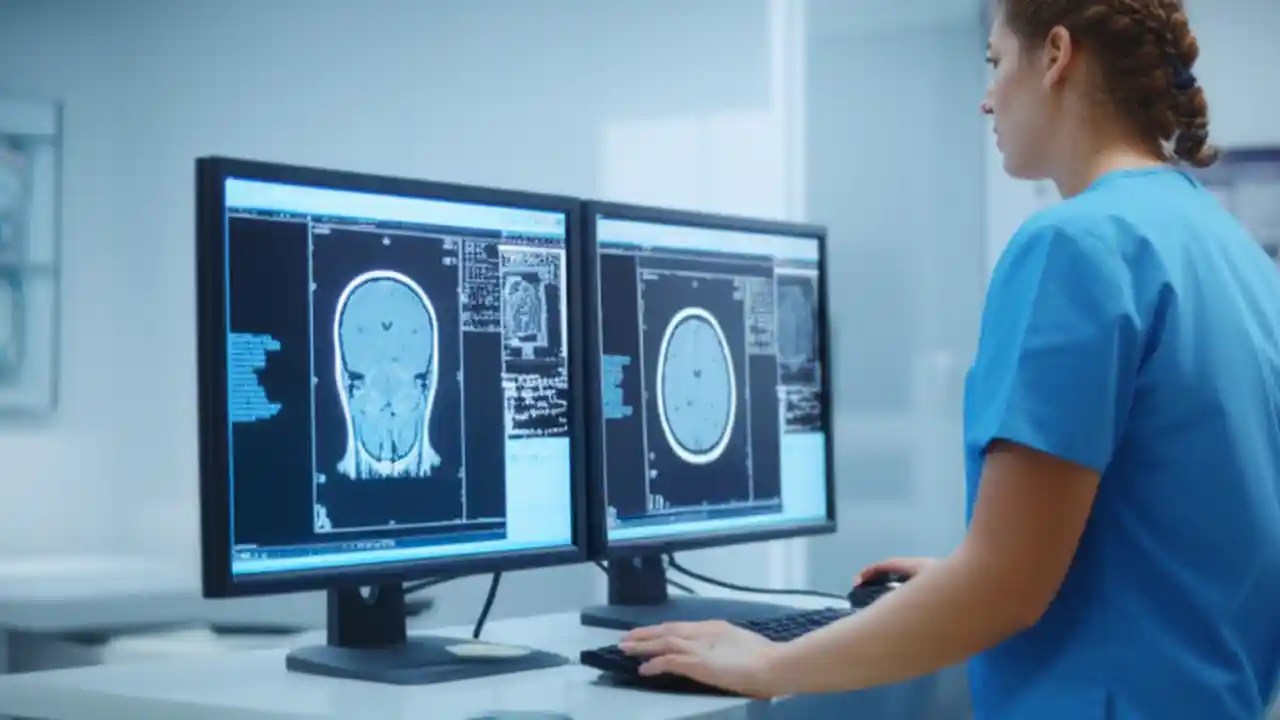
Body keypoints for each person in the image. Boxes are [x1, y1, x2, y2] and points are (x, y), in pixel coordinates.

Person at [619, 1, 1280, 717]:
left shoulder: (1076, 246)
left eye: (996, 63)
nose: (987, 98)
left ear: (1056, 55)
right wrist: (963, 577)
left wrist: (768, 663)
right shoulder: (1232, 249)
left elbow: (1005, 588)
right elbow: (1189, 540)